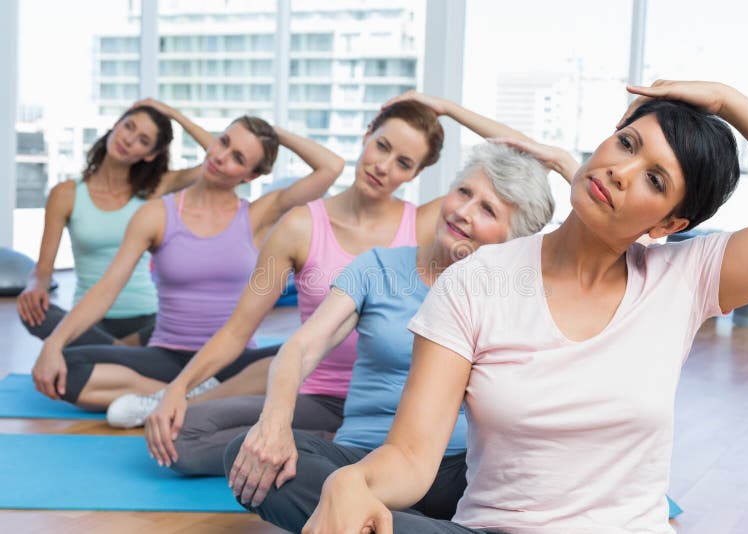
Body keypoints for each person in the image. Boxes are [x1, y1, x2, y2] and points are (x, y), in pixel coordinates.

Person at [293, 80, 748, 534]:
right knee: (318, 487)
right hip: (495, 527)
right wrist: (352, 482)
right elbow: (410, 456)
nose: (620, 171)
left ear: (669, 224)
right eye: (627, 144)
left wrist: (728, 101)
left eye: (655, 180)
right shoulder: (475, 280)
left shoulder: (685, 278)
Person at [136, 93, 547, 473]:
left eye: (404, 163)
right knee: (182, 437)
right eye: (382, 146)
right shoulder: (299, 227)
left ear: (416, 173)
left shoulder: (430, 222)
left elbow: (522, 162)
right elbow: (238, 329)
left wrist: (447, 108)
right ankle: (320, 446)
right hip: (320, 396)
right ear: (366, 136)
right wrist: (177, 388)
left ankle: (321, 453)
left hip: (395, 405)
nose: (384, 166)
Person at [222, 141, 555, 530]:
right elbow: (301, 348)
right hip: (362, 464)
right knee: (246, 457)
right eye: (464, 192)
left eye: (487, 210)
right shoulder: (377, 268)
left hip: (458, 471)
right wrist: (274, 422)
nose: (463, 212)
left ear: (512, 239)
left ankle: (362, 521)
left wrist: (566, 163)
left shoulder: (510, 296)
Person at [30, 114, 345, 411]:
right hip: (167, 356)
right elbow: (108, 288)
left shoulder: (258, 215)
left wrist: (272, 132)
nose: (221, 157)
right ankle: (187, 398)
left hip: (232, 361)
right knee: (66, 366)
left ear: (251, 175)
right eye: (223, 142)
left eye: (238, 158)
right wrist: (54, 343)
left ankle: (173, 402)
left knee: (311, 356)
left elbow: (331, 167)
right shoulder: (156, 214)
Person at [17, 100, 207, 347]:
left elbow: (218, 158)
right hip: (87, 322)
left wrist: (174, 114)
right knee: (34, 314)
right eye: (129, 126)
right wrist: (34, 287)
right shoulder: (66, 194)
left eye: (143, 140)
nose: (128, 139)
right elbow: (43, 270)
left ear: (150, 155)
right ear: (116, 125)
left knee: (193, 319)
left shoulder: (155, 188)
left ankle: (104, 353)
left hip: (146, 319)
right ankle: (123, 352)